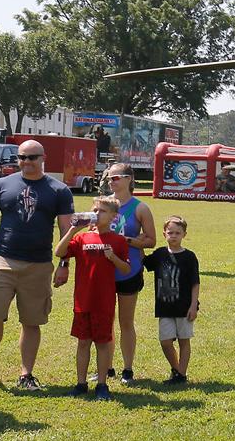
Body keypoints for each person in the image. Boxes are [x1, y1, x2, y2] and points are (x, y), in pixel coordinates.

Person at [0, 139, 74, 392]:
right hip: (2, 259)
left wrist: (64, 263)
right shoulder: (2, 185)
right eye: (22, 157)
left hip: (39, 264)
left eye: (32, 157)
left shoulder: (59, 190)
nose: (26, 162)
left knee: (31, 321)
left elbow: (65, 229)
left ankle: (26, 374)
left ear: (43, 158)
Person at [55, 196, 130, 400]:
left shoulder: (118, 240)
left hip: (104, 301)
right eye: (95, 210)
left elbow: (126, 268)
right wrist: (73, 230)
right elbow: (59, 252)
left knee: (103, 343)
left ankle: (102, 385)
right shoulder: (82, 238)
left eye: (102, 211)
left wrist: (113, 257)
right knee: (83, 342)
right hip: (83, 300)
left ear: (114, 217)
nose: (97, 214)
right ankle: (81, 384)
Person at [103, 163, 156, 384]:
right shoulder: (103, 204)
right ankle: (105, 368)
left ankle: (127, 369)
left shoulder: (140, 207)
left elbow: (151, 241)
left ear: (129, 179)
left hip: (129, 271)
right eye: (109, 178)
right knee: (105, 322)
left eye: (116, 177)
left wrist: (127, 241)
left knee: (126, 322)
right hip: (104, 270)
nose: (111, 181)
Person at [142, 216, 201, 384]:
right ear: (164, 234)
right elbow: (144, 261)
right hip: (165, 307)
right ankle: (176, 369)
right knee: (165, 341)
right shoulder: (160, 254)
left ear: (184, 234)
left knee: (184, 340)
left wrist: (193, 306)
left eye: (177, 233)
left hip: (184, 307)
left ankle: (181, 375)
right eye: (170, 233)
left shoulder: (189, 257)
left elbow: (195, 283)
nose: (173, 236)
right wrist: (139, 241)